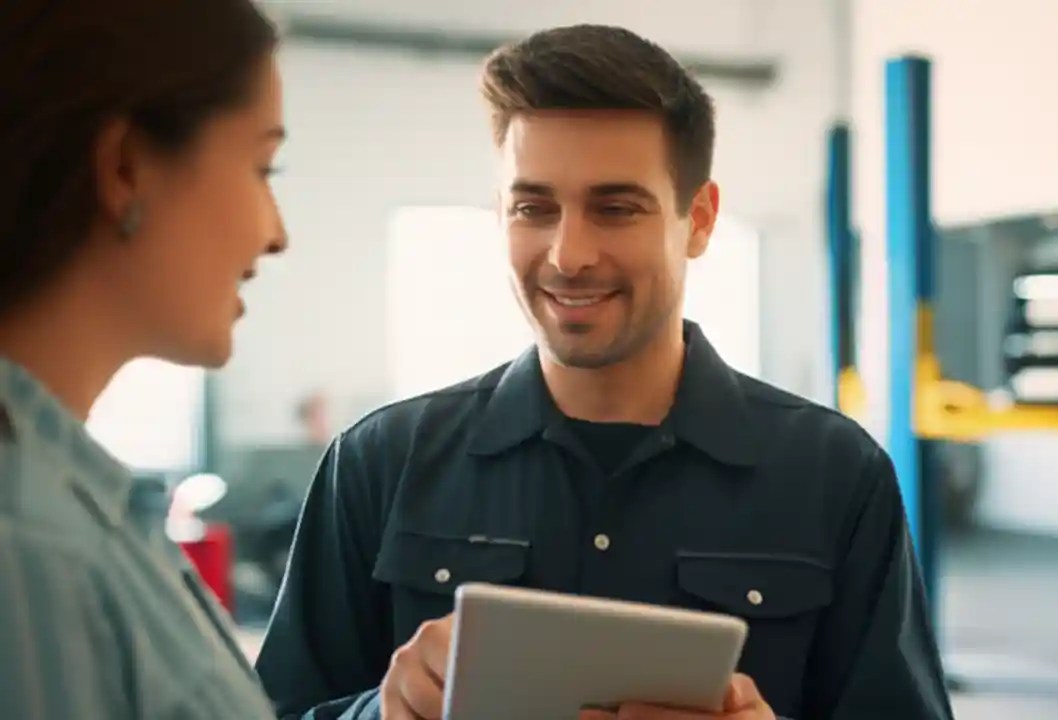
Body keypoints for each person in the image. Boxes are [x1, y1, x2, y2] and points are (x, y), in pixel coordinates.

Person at [255, 24, 953, 720]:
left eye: (616, 209)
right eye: (534, 207)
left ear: (699, 220)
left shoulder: (833, 475)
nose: (568, 254)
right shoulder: (381, 464)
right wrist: (380, 714)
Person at [0, 1, 288, 717]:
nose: (276, 233)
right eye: (263, 166)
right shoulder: (33, 551)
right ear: (125, 167)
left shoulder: (77, 505)